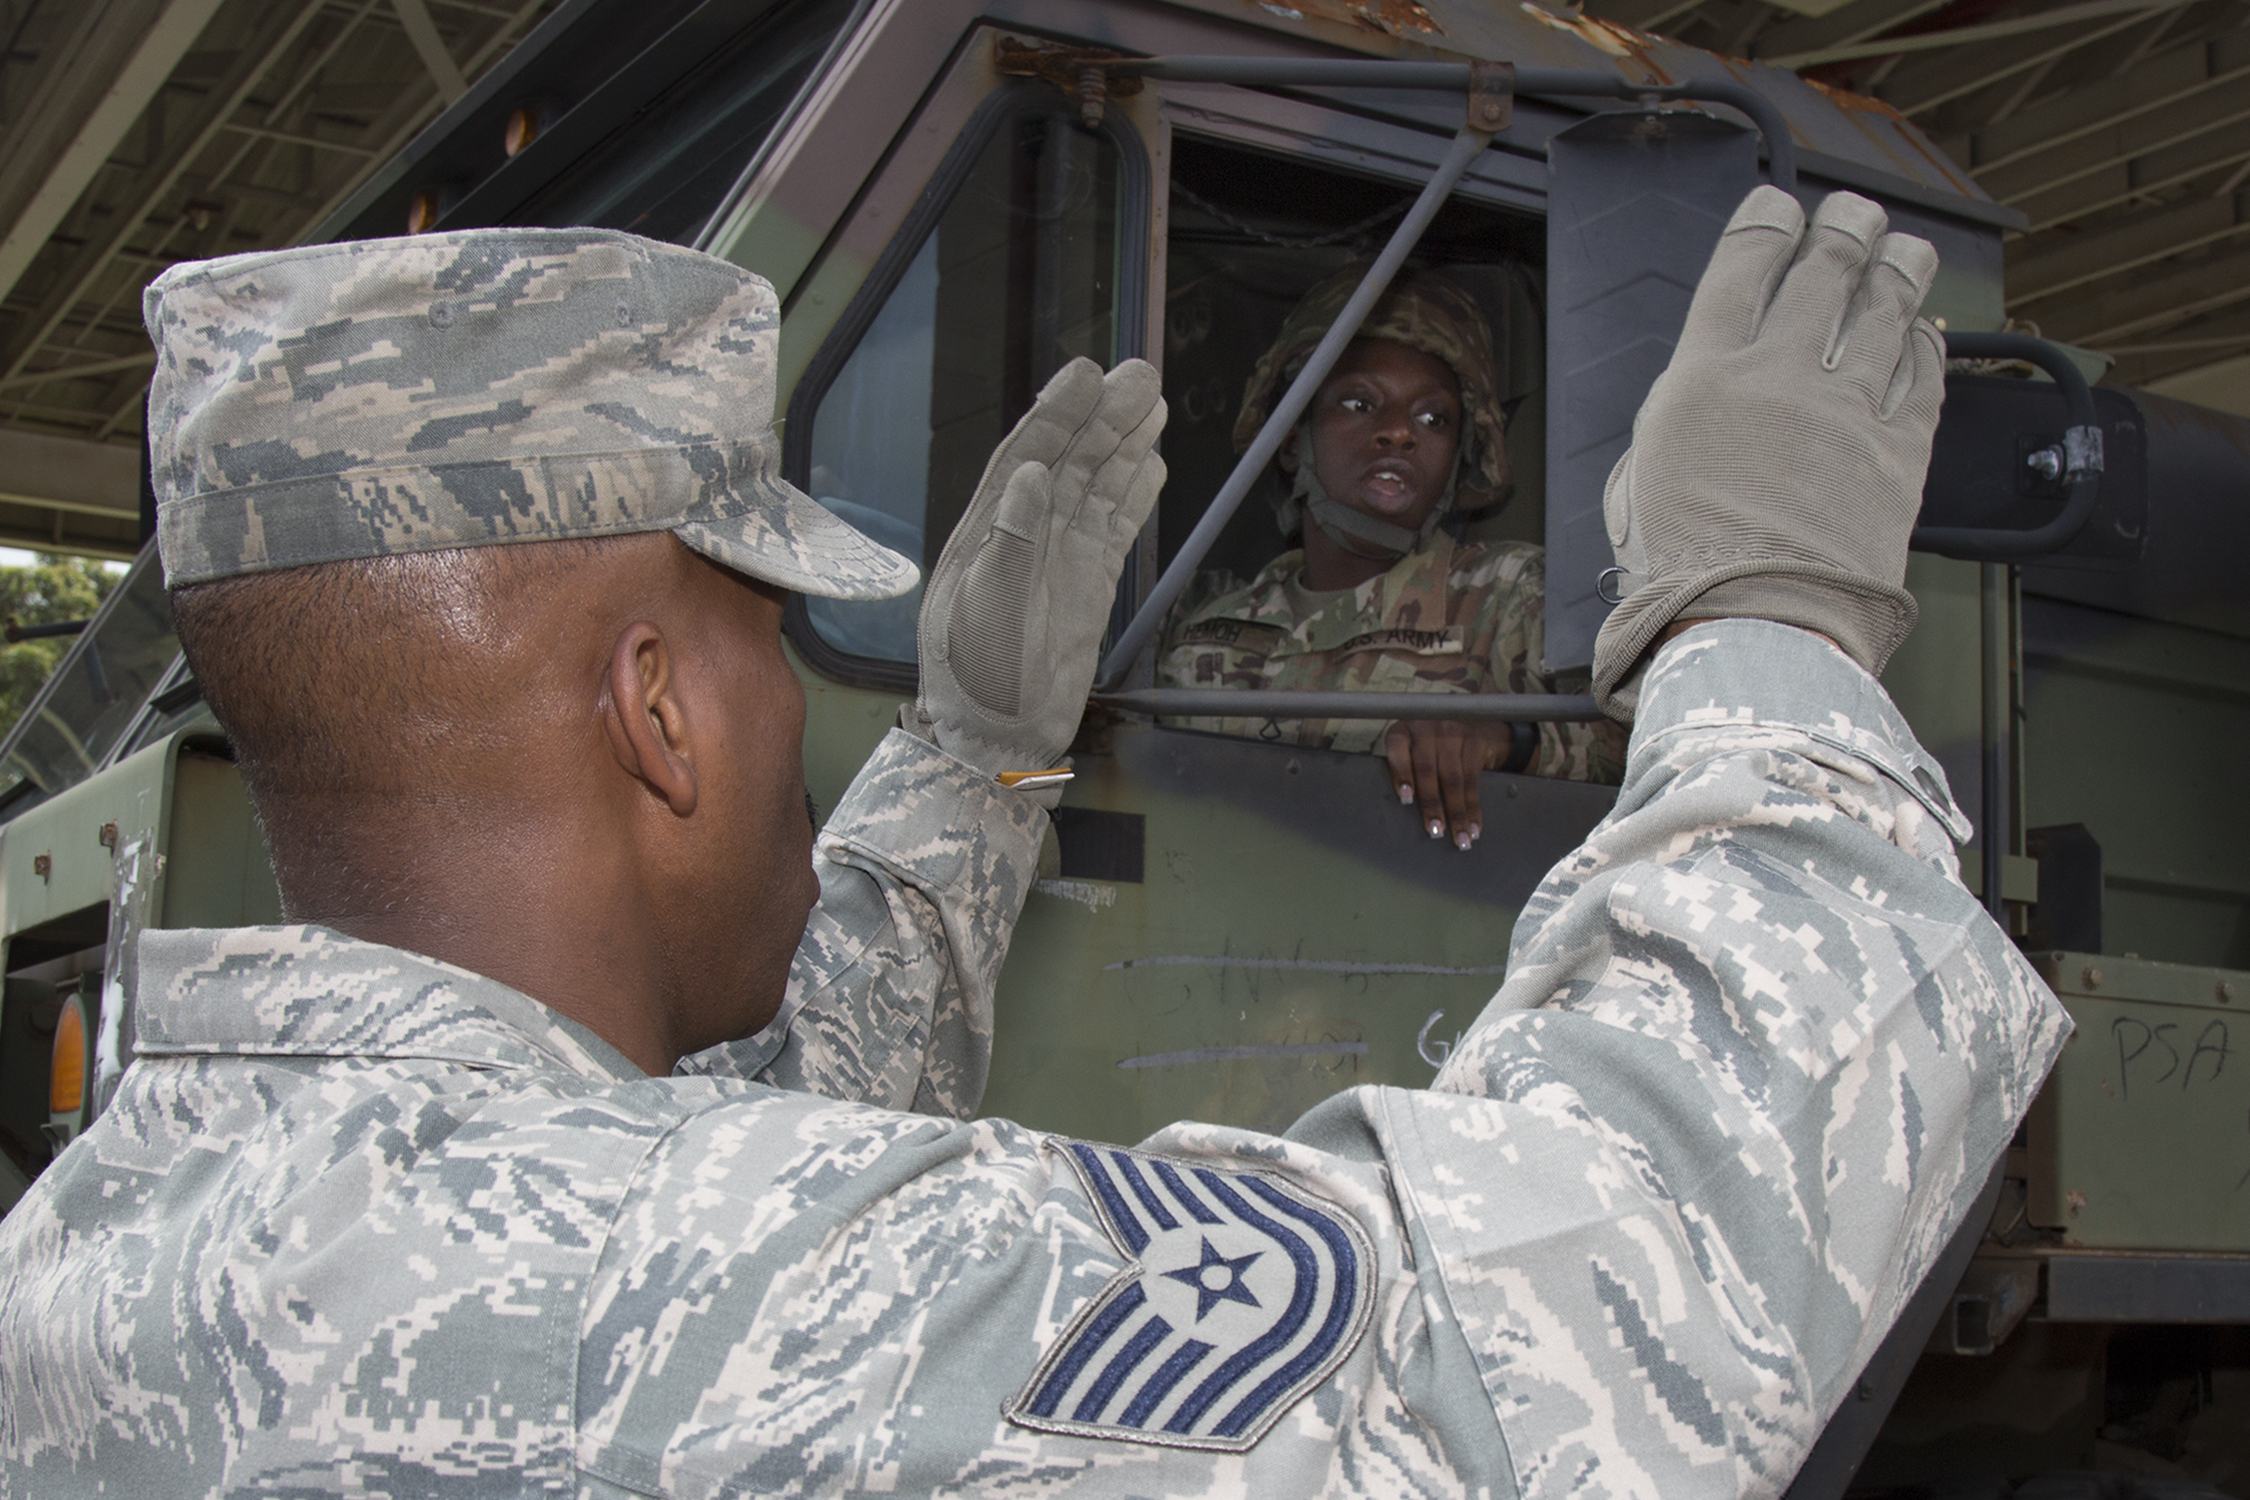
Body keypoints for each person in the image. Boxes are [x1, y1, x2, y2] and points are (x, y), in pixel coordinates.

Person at [0, 190, 2069, 1499]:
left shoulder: (87, 1256)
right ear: (653, 709)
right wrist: (1772, 630)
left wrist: (979, 755)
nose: (794, 699)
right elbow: (1582, 1339)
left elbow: (769, 1153)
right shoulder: (727, 1292)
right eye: (765, 636)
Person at [1157, 266, 1629, 851]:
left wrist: (1508, 741)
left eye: (1433, 419)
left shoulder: (1515, 595)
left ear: (1459, 459)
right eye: (1359, 402)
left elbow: (1644, 751)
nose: (1399, 434)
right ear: (1290, 436)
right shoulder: (1196, 622)